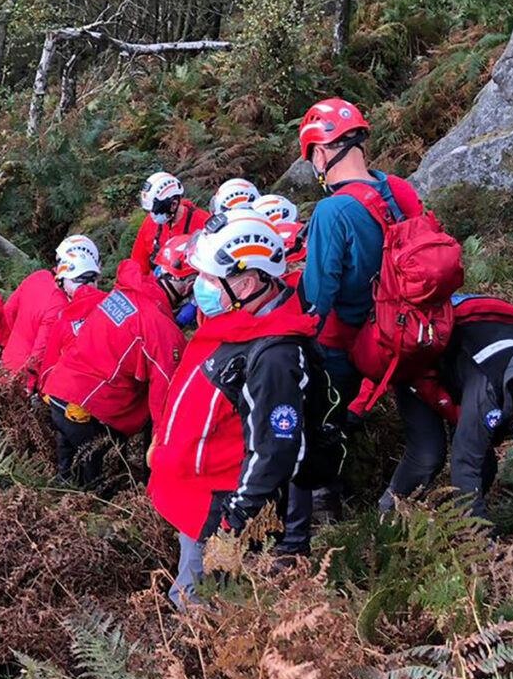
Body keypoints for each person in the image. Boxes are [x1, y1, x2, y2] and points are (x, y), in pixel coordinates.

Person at [147, 211, 331, 607]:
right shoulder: (238, 321)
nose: (201, 286)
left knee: (199, 604)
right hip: (196, 493)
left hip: (220, 508)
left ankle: (201, 663)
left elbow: (273, 452)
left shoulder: (276, 355)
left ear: (247, 282)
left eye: (212, 278)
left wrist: (233, 524)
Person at [381, 296, 513, 519]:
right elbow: (465, 461)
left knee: (485, 468)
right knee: (428, 456)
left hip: (464, 364)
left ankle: (446, 519)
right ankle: (386, 516)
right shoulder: (488, 392)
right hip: (420, 360)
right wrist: (479, 540)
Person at [296, 97, 423, 397]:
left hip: (349, 345)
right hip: (406, 325)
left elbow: (317, 301)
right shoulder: (398, 188)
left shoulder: (332, 212)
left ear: (319, 155)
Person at [43, 236, 190, 487]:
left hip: (60, 393)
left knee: (67, 479)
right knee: (96, 485)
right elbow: (163, 400)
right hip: (86, 408)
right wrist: (157, 449)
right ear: (187, 284)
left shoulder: (123, 292)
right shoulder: (162, 330)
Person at [36, 235, 107, 389]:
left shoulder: (64, 319)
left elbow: (49, 362)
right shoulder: (112, 304)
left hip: (75, 392)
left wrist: (44, 388)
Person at [0, 260, 68, 393]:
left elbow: (8, 310)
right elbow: (40, 351)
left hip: (7, 361)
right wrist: (30, 384)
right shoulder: (59, 302)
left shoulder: (38, 276)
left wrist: (14, 339)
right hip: (25, 376)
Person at [128, 171, 209, 272]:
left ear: (174, 204)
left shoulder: (203, 224)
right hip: (156, 284)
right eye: (150, 211)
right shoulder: (150, 223)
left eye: (157, 211)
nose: (153, 216)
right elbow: (138, 264)